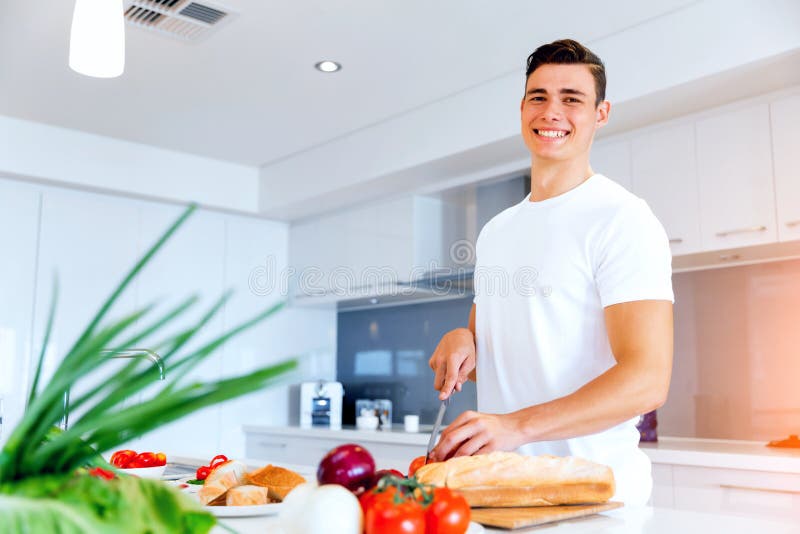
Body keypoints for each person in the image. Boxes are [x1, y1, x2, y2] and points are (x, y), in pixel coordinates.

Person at [427, 39, 674, 506]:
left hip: (592, 495)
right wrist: (463, 342)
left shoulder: (622, 218)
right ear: (522, 108)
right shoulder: (496, 232)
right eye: (538, 97)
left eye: (572, 99)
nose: (551, 111)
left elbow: (647, 378)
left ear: (601, 114)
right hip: (504, 491)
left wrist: (515, 427)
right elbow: (496, 361)